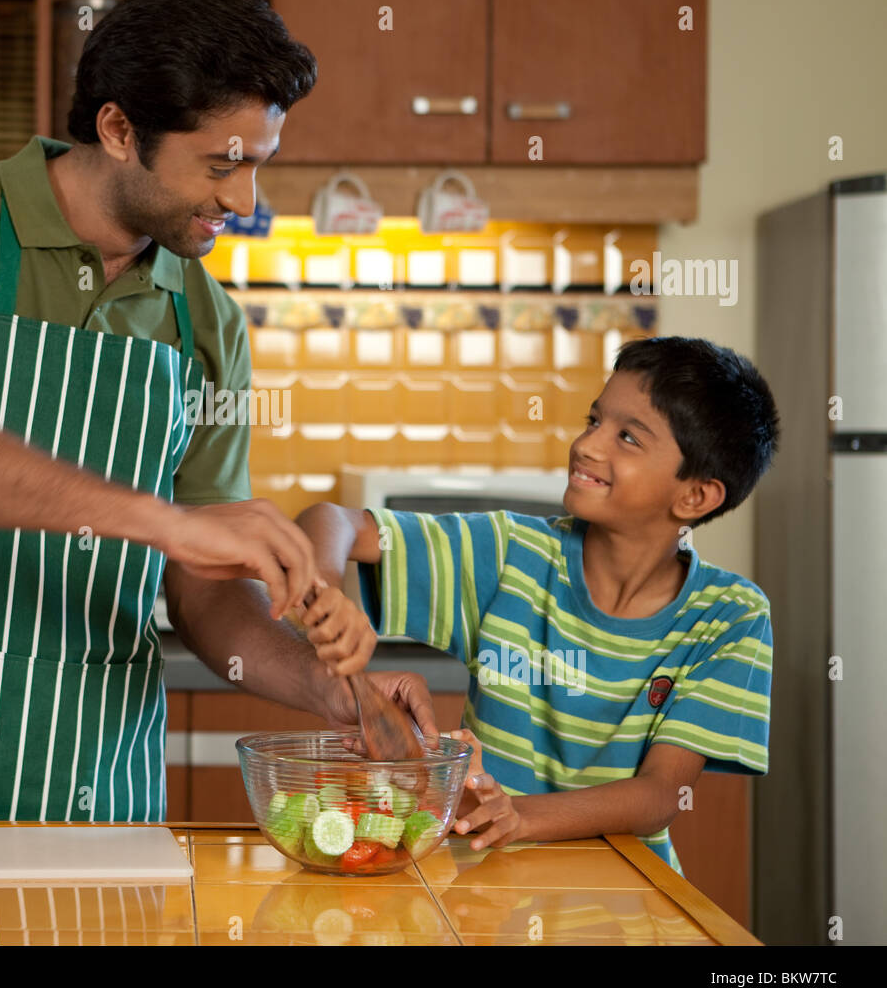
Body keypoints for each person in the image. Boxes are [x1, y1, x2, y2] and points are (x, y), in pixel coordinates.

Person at [0, 0, 434, 824]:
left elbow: (206, 593)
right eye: (222, 164)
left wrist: (318, 683)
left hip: (99, 788)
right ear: (117, 128)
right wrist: (168, 521)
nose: (243, 202)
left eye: (258, 166)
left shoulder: (206, 322)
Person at [297, 337, 780, 874]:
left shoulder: (730, 618)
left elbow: (661, 795)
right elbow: (330, 520)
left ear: (694, 496)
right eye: (593, 419)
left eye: (626, 437)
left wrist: (518, 817)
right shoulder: (508, 555)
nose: (588, 445)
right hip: (484, 897)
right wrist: (325, 591)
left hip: (630, 903)